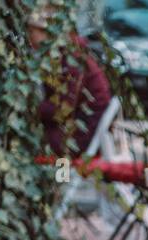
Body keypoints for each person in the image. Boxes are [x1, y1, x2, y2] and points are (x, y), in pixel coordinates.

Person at [28, 10, 112, 157]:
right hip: (76, 121)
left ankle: (62, 178)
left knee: (45, 141)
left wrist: (29, 109)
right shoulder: (59, 55)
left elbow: (63, 109)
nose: (30, 39)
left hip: (86, 126)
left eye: (31, 32)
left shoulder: (71, 58)